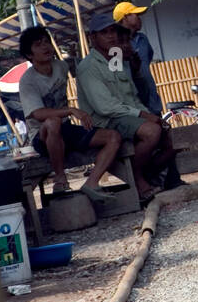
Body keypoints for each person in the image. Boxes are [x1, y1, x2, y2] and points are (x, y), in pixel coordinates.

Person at [76, 12, 177, 202]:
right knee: (151, 132)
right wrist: (144, 116)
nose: (111, 36)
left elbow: (130, 96)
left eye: (112, 31)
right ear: (93, 38)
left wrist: (146, 113)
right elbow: (106, 107)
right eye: (104, 33)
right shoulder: (88, 67)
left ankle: (145, 176)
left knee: (172, 138)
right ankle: (139, 180)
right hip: (104, 122)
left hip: (125, 116)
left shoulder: (116, 60)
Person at [17, 26, 120, 201]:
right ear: (29, 55)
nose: (45, 47)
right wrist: (71, 110)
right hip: (41, 136)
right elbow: (38, 113)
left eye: (46, 41)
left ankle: (91, 183)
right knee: (52, 122)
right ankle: (60, 178)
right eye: (38, 44)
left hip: (66, 130)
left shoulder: (61, 66)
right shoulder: (27, 81)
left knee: (113, 137)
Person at [113, 1, 162, 115]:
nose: (140, 19)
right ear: (125, 18)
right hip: (133, 106)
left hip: (151, 101)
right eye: (136, 15)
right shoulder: (114, 45)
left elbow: (147, 60)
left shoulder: (143, 39)